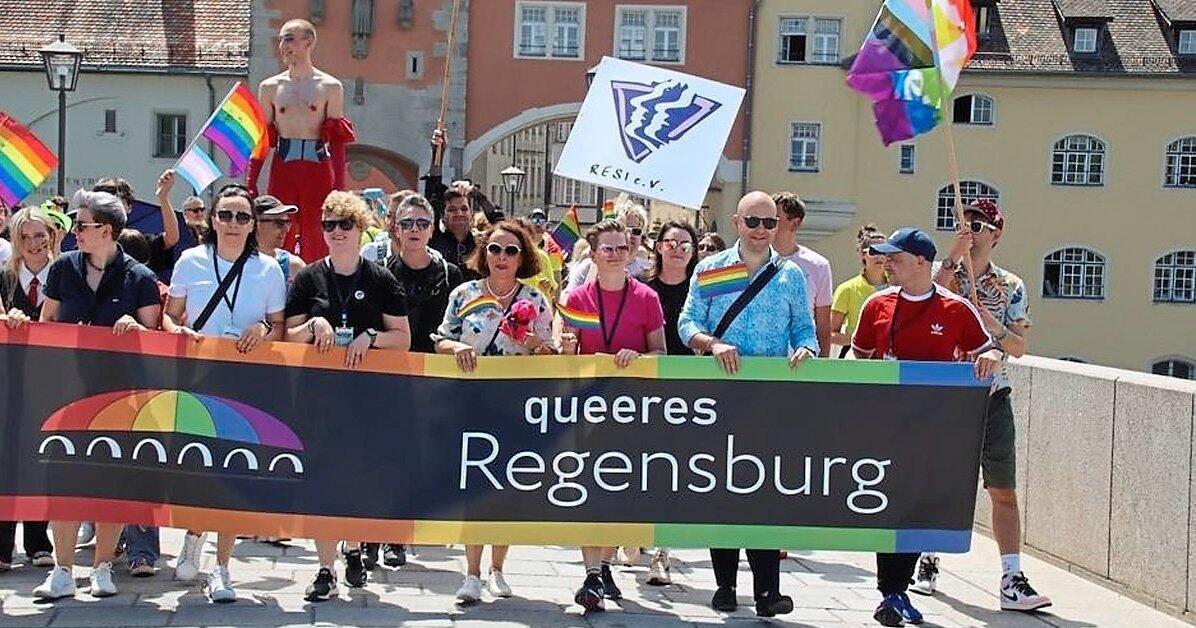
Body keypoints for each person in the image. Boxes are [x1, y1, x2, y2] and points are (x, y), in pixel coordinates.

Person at [850, 227, 1003, 627]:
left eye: (895, 257)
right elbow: (858, 356)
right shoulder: (876, 304)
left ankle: (894, 591)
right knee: (889, 505)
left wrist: (991, 358)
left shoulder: (956, 309)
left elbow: (988, 349)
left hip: (934, 428)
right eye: (885, 256)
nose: (887, 263)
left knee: (917, 507)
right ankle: (891, 591)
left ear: (921, 261)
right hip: (886, 426)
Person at [677, 191, 816, 618]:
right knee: (722, 488)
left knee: (764, 491)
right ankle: (725, 585)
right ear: (736, 222)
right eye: (752, 221)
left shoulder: (791, 275)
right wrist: (712, 343)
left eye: (769, 223)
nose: (760, 230)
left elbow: (805, 328)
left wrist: (807, 349)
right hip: (719, 396)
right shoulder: (713, 268)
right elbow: (687, 323)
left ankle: (768, 591)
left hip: (770, 399)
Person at [916, 200, 1050, 612]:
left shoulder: (1010, 285)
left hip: (992, 395)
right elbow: (926, 299)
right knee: (941, 482)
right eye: (965, 223)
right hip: (948, 395)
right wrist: (953, 257)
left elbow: (1020, 346)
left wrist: (993, 331)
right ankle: (927, 559)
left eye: (979, 225)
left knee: (1002, 488)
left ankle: (1011, 577)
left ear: (996, 233)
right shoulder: (944, 272)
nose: (971, 230)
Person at [30, 189, 162, 600]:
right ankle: (63, 570)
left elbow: (155, 336)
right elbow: (47, 321)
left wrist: (135, 329)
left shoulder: (139, 277)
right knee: (62, 480)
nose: (75, 231)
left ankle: (102, 567)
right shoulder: (63, 268)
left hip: (120, 395)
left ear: (106, 230)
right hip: (68, 390)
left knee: (114, 481)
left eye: (81, 224)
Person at [162, 185, 287, 603]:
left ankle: (222, 566)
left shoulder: (268, 269)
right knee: (198, 467)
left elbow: (278, 325)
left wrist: (262, 330)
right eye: (226, 215)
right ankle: (194, 534)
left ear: (253, 225)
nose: (234, 224)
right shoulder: (190, 261)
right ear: (212, 219)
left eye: (242, 217)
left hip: (244, 377)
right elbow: (170, 316)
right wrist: (178, 330)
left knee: (233, 471)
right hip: (198, 375)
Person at [284, 191, 411, 600]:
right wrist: (313, 325)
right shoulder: (309, 278)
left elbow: (402, 338)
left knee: (356, 476)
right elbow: (287, 335)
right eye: (329, 225)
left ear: (360, 228)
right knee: (321, 478)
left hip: (365, 394)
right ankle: (325, 568)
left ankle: (354, 546)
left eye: (344, 224)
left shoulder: (381, 279)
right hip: (318, 393)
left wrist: (371, 335)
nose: (336, 232)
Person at [433, 220, 556, 604]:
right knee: (474, 487)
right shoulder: (464, 293)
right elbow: (440, 340)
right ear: (483, 253)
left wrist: (535, 342)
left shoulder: (535, 299)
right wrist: (456, 348)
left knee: (505, 488)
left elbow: (551, 355)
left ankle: (498, 568)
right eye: (495, 249)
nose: (502, 257)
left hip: (515, 405)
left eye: (511, 250)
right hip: (469, 401)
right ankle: (471, 574)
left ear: (523, 257)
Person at [558, 220, 667, 612]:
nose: (616, 254)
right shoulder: (576, 298)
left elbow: (660, 353)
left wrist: (638, 357)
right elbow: (567, 358)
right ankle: (592, 573)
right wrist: (566, 347)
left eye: (622, 247)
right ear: (594, 253)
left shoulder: (647, 297)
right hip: (588, 407)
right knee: (589, 488)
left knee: (615, 489)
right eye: (608, 248)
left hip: (630, 409)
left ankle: (603, 564)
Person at [248, 18, 356, 262]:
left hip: (318, 168)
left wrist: (340, 189)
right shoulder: (269, 87)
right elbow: (263, 139)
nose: (283, 46)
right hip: (283, 167)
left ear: (309, 42)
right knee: (277, 226)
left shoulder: (330, 86)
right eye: (281, 40)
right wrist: (251, 182)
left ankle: (315, 279)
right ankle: (276, 275)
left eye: (289, 39)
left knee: (316, 233)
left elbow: (337, 141)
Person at [0, 207, 63, 572]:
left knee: (43, 459)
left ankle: (39, 542)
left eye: (40, 235)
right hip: (9, 382)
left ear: (52, 237)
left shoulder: (67, 276)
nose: (34, 243)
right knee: (6, 461)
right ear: (16, 242)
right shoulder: (4, 278)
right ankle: (2, 545)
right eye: (25, 237)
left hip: (52, 382)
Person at [772, 192, 833, 358]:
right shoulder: (753, 261)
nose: (766, 225)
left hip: (801, 359)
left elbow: (823, 323)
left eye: (774, 219)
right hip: (761, 359)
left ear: (795, 223)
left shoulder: (818, 265)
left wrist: (824, 364)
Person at [95, 172, 182, 277]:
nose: (110, 208)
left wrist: (163, 197)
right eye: (103, 202)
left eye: (116, 202)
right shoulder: (85, 241)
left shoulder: (136, 242)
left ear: (129, 207)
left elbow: (171, 238)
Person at [562, 204, 652, 297]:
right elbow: (567, 300)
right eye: (625, 230)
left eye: (636, 231)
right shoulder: (588, 266)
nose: (630, 235)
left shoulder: (648, 273)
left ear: (642, 236)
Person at [831, 225, 888, 357]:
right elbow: (830, 333)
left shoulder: (897, 287)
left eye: (884, 251)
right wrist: (859, 342)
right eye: (874, 251)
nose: (880, 257)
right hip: (855, 356)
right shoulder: (847, 289)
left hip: (888, 357)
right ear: (863, 255)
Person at [253, 194, 307, 285]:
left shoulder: (294, 267)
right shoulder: (234, 261)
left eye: (287, 223)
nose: (286, 229)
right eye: (279, 223)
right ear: (256, 224)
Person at [430, 189, 478, 275]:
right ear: (442, 216)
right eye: (452, 210)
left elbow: (498, 222)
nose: (459, 213)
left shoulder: (479, 244)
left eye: (464, 209)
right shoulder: (433, 241)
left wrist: (476, 194)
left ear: (471, 213)